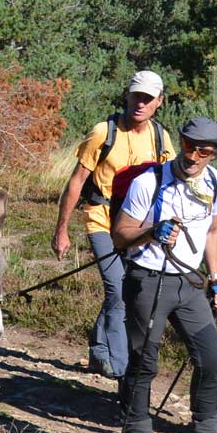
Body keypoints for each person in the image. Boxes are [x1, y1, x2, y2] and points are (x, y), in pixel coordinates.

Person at [110, 116, 217, 433]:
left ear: (215, 154)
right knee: (144, 360)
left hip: (189, 284)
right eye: (189, 146)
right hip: (148, 279)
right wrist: (152, 232)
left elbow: (213, 231)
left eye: (204, 151)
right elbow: (120, 233)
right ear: (180, 142)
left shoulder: (216, 183)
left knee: (211, 361)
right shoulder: (148, 182)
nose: (194, 156)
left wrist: (215, 278)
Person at [53, 70, 174, 379]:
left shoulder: (161, 137)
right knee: (117, 289)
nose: (141, 103)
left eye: (148, 99)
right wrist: (61, 230)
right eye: (137, 96)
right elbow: (76, 182)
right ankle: (122, 369)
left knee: (124, 290)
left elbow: (172, 182)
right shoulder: (103, 133)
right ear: (127, 95)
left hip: (136, 226)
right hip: (101, 219)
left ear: (159, 102)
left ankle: (99, 349)